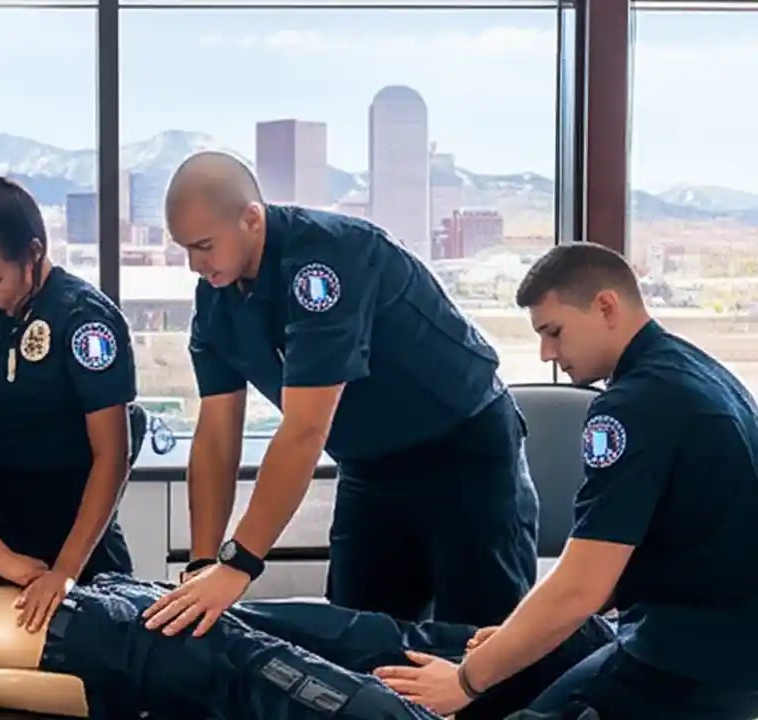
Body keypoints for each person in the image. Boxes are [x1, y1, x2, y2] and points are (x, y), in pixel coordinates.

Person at [146, 151, 538, 636]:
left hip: (462, 453)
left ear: (251, 219)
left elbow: (305, 428)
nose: (193, 265)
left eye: (203, 246)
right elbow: (216, 436)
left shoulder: (325, 263)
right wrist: (203, 563)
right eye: (184, 249)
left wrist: (239, 563)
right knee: (356, 641)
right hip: (370, 467)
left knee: (481, 647)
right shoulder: (216, 301)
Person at [375, 242, 758, 720]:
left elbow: (582, 586)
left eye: (553, 332)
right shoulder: (697, 374)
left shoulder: (632, 406)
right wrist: (520, 638)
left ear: (606, 307)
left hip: (685, 667)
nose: (546, 354)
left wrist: (464, 680)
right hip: (723, 650)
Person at [0, 553, 614, 720]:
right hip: (216, 663)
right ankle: (580, 700)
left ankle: (584, 646)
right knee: (378, 712)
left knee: (386, 636)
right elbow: (49, 693)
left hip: (189, 607)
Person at [0, 176, 136, 631]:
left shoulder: (84, 319)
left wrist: (65, 572)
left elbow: (112, 453)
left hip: (77, 529)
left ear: (33, 254)